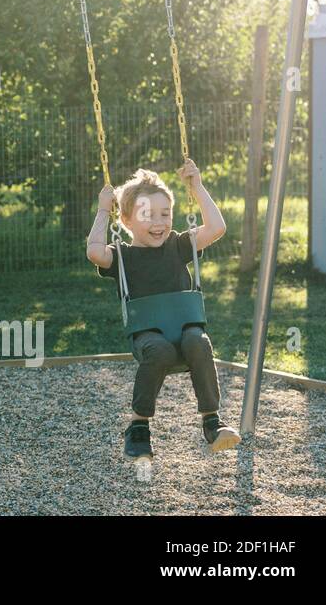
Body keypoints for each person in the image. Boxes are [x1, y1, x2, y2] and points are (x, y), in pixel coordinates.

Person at [86, 161, 240, 457]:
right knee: (160, 351)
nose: (159, 223)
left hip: (186, 329)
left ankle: (212, 422)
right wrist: (104, 209)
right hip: (148, 335)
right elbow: (94, 251)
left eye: (165, 214)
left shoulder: (178, 245)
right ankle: (139, 426)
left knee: (199, 341)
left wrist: (197, 187)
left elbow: (217, 228)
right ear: (127, 221)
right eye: (148, 215)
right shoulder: (123, 256)